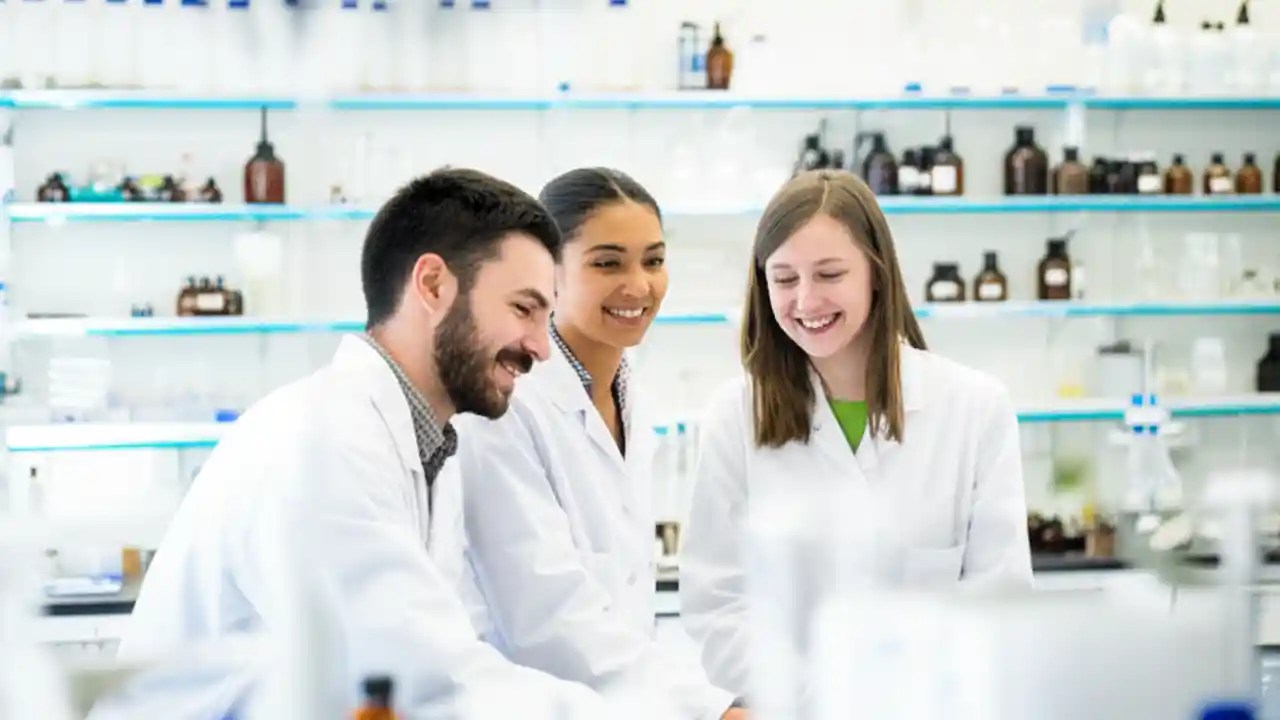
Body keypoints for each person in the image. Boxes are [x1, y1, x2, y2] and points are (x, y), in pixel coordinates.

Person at [118, 168, 613, 718]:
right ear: (432, 286)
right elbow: (429, 679)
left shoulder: (427, 446)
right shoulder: (322, 442)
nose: (541, 348)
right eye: (523, 309)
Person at [679, 169, 1033, 698]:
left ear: (876, 273)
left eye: (829, 274)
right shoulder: (735, 416)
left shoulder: (975, 408)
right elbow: (718, 604)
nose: (806, 301)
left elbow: (999, 601)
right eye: (784, 279)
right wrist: (816, 699)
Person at [451, 167, 744, 720]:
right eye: (607, 262)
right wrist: (710, 710)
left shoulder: (631, 393)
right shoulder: (505, 403)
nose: (639, 285)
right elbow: (545, 617)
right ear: (548, 272)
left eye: (654, 260)